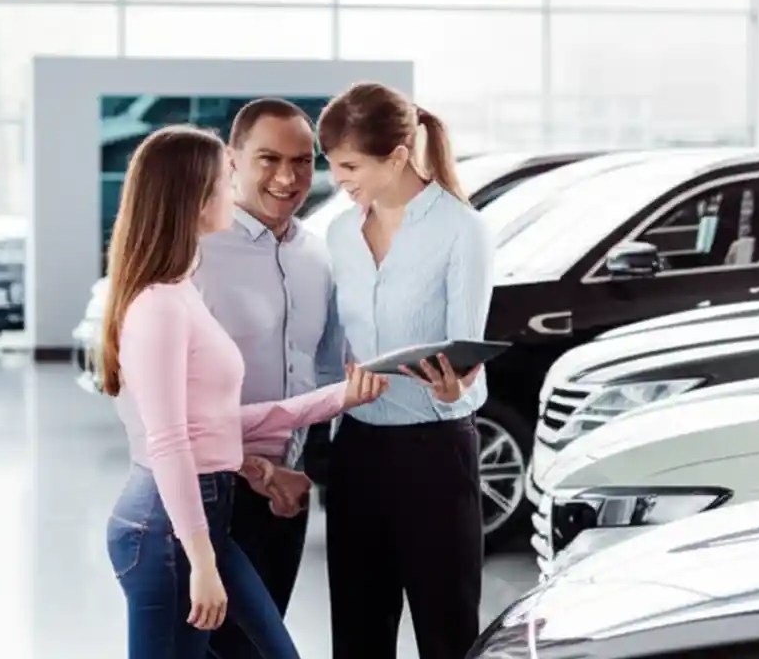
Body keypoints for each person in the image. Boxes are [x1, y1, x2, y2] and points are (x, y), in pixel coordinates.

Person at [101, 124, 388, 659]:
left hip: (201, 521)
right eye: (223, 178)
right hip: (168, 533)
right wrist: (203, 563)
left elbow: (217, 421)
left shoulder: (180, 291)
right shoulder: (159, 306)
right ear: (192, 195)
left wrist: (340, 398)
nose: (233, 191)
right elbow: (168, 442)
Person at [316, 82, 494, 659]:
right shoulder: (341, 234)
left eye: (349, 166)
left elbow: (467, 355)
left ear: (395, 156)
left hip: (435, 455)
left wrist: (452, 389)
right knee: (358, 631)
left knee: (445, 630)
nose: (339, 179)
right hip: (358, 452)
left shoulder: (461, 229)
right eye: (333, 165)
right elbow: (335, 341)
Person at [197, 99, 338, 659]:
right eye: (269, 159)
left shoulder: (318, 255)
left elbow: (324, 370)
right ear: (233, 159)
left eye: (302, 161)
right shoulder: (197, 250)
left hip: (286, 489)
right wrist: (246, 467)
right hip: (213, 488)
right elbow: (153, 396)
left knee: (258, 635)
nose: (288, 177)